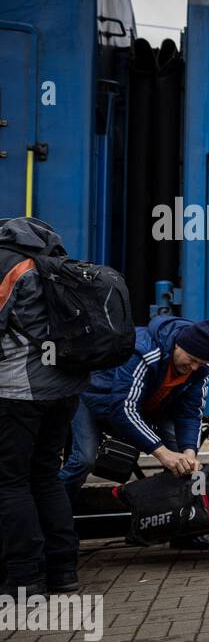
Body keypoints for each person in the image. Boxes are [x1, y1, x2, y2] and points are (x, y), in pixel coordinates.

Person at [0, 218, 87, 597]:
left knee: (10, 481)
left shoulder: (9, 264)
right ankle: (63, 569)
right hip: (66, 389)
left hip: (20, 390)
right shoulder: (57, 259)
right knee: (46, 475)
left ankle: (23, 578)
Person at [59, 316, 209, 501]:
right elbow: (123, 409)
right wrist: (163, 453)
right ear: (177, 345)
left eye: (199, 363)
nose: (193, 367)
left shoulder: (202, 367)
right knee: (84, 460)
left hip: (146, 404)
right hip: (92, 397)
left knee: (184, 462)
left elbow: (190, 412)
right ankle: (51, 509)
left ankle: (171, 514)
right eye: (191, 359)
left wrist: (189, 452)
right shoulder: (144, 351)